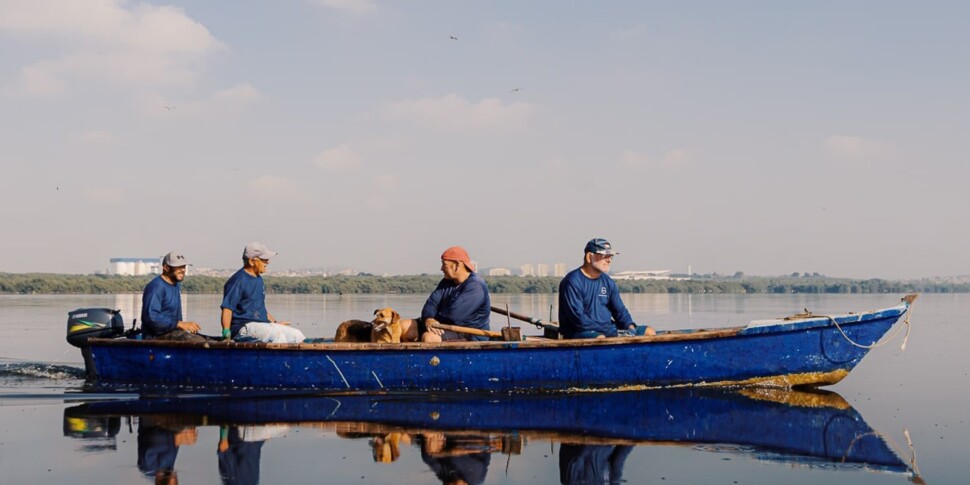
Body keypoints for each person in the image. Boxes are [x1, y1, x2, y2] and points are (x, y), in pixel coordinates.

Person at [558, 238, 655, 339]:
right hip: (580, 332)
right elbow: (579, 319)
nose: (609, 260)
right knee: (600, 338)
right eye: (605, 256)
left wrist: (630, 328)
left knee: (649, 332)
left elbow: (620, 311)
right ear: (589, 257)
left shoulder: (608, 282)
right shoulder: (572, 281)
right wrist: (612, 332)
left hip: (608, 330)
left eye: (610, 256)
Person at [401, 246, 491, 342]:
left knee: (430, 338)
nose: (441, 268)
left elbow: (453, 316)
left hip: (469, 334)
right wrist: (429, 319)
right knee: (401, 326)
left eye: (444, 265)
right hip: (441, 325)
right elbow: (431, 304)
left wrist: (433, 322)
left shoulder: (475, 286)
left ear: (457, 265)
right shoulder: (447, 281)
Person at [220, 242, 305, 343]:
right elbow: (227, 308)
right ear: (252, 261)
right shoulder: (237, 281)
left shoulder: (259, 279)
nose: (268, 262)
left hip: (262, 325)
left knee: (296, 335)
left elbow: (259, 308)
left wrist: (275, 323)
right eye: (264, 260)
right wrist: (226, 331)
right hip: (243, 327)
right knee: (278, 337)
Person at [141, 251, 205, 342]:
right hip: (155, 338)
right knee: (196, 341)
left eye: (183, 266)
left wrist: (181, 327)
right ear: (166, 268)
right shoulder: (156, 286)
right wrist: (179, 324)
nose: (183, 270)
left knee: (206, 339)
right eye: (178, 267)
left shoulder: (176, 285)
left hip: (173, 333)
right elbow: (151, 317)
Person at [559, 443, 634, 485]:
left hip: (583, 427)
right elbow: (619, 459)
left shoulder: (570, 482)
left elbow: (578, 452)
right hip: (605, 432)